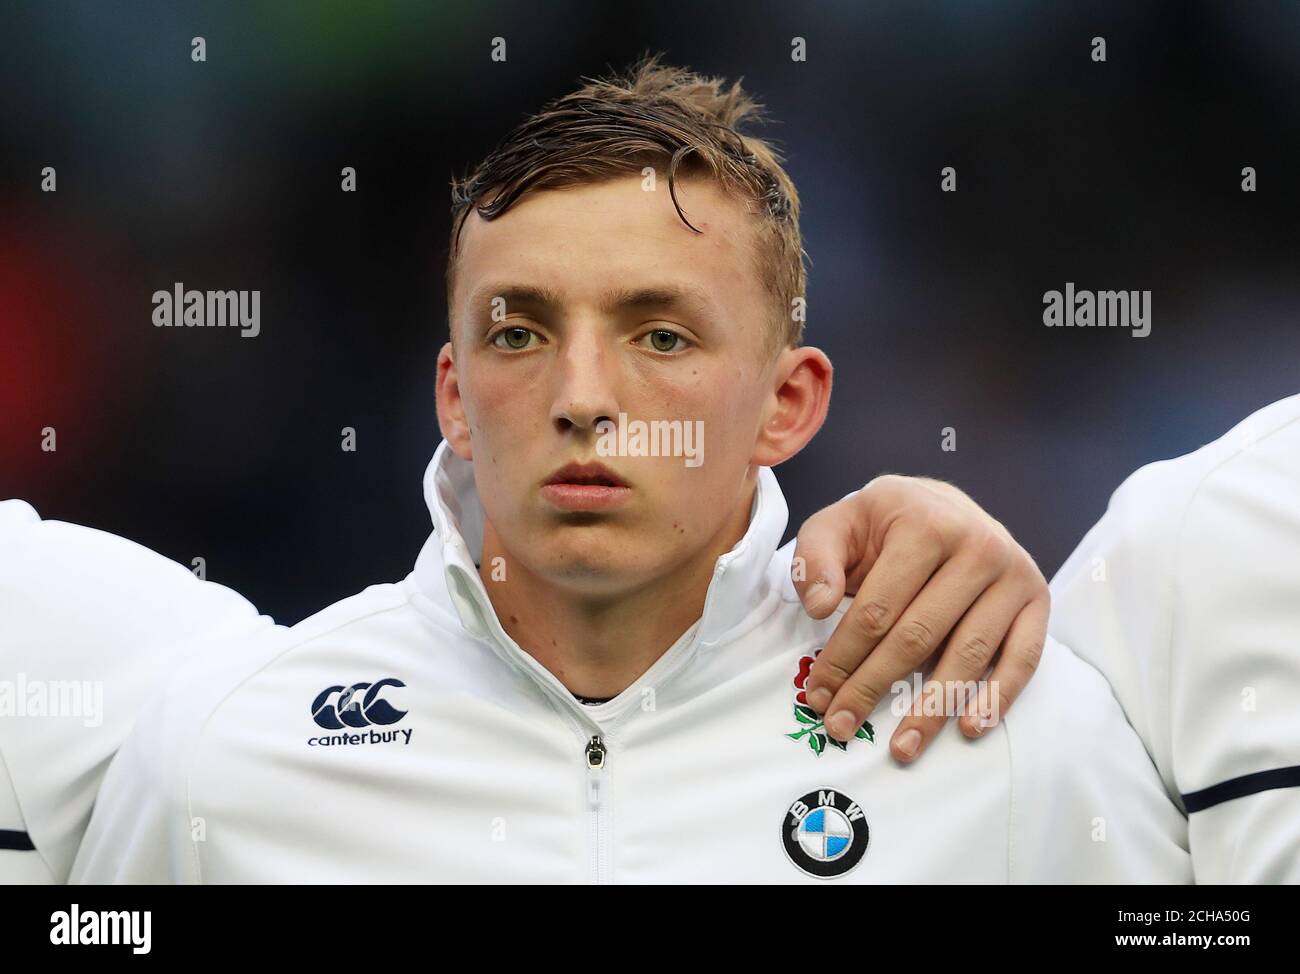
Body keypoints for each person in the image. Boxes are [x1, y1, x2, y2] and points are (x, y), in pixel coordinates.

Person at [71, 58, 1187, 883]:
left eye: (660, 335)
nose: (583, 395)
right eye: (519, 332)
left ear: (786, 404)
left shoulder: (1006, 739)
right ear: (453, 397)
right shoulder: (225, 754)